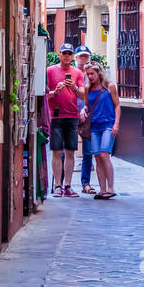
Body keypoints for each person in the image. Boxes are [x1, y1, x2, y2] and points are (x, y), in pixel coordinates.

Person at [46, 42, 85, 197]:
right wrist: (55, 92)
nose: (67, 56)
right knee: (56, 151)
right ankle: (57, 185)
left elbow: (83, 95)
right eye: (65, 53)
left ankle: (67, 186)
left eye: (70, 53)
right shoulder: (50, 71)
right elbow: (44, 94)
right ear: (59, 55)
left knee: (70, 152)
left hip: (72, 115)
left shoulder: (77, 73)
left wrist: (74, 87)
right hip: (55, 116)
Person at [83, 61, 120, 199]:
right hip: (94, 126)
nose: (90, 77)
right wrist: (83, 110)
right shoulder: (87, 89)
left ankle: (110, 188)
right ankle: (102, 189)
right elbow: (87, 106)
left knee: (104, 154)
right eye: (88, 74)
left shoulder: (109, 87)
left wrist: (116, 124)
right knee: (97, 157)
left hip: (108, 125)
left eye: (92, 74)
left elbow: (117, 106)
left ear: (99, 73)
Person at [73, 45, 96, 193]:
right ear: (75, 58)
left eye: (86, 56)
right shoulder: (71, 73)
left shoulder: (93, 75)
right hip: (69, 114)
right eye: (80, 56)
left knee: (88, 152)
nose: (83, 59)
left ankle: (85, 183)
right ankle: (62, 185)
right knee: (65, 152)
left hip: (87, 117)